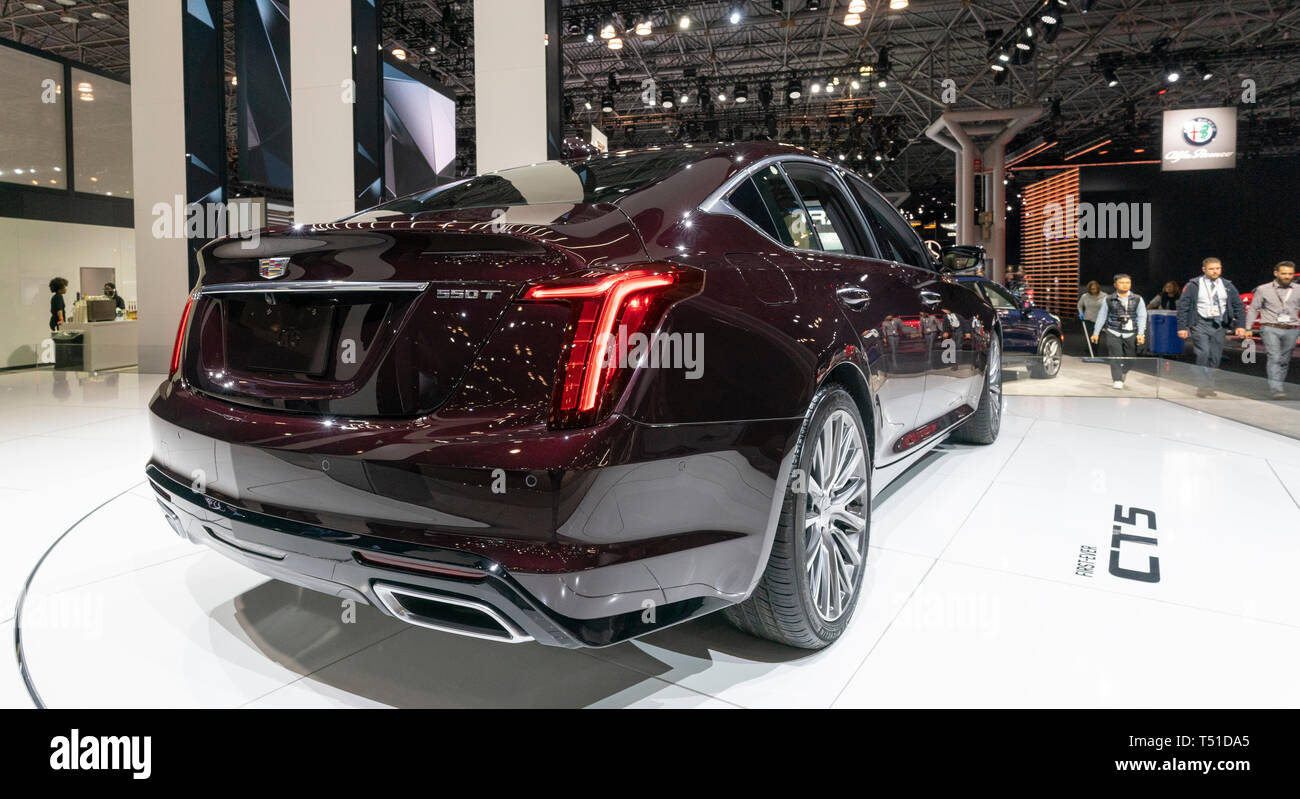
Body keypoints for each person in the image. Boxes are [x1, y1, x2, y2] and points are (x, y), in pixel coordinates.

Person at [1176, 257, 1248, 398]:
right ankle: (1202, 385)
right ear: (1204, 269)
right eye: (1211, 269)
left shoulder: (1227, 285)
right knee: (1203, 353)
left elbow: (1238, 305)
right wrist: (1182, 327)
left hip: (1219, 325)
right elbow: (1183, 306)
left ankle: (1209, 385)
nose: (1215, 271)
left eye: (1218, 268)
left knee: (1215, 356)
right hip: (1200, 323)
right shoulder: (1193, 285)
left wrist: (1241, 325)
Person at [1245, 261, 1299, 399]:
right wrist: (1248, 327)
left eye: (1290, 274)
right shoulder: (1263, 289)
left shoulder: (1298, 289)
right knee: (1274, 357)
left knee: (1285, 359)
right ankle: (1276, 388)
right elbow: (1253, 308)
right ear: (1276, 273)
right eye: (1284, 273)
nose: (1287, 276)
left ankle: (1278, 384)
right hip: (1270, 327)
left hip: (1291, 328)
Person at [1091, 273, 1147, 389]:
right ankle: (1117, 379)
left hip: (1131, 332)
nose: (1125, 285)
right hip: (1113, 331)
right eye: (1122, 283)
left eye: (1128, 283)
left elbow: (1142, 316)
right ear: (1115, 284)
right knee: (1115, 356)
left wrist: (1141, 333)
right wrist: (1096, 333)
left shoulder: (1137, 299)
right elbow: (1102, 316)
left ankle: (1123, 371)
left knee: (1131, 358)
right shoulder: (1108, 299)